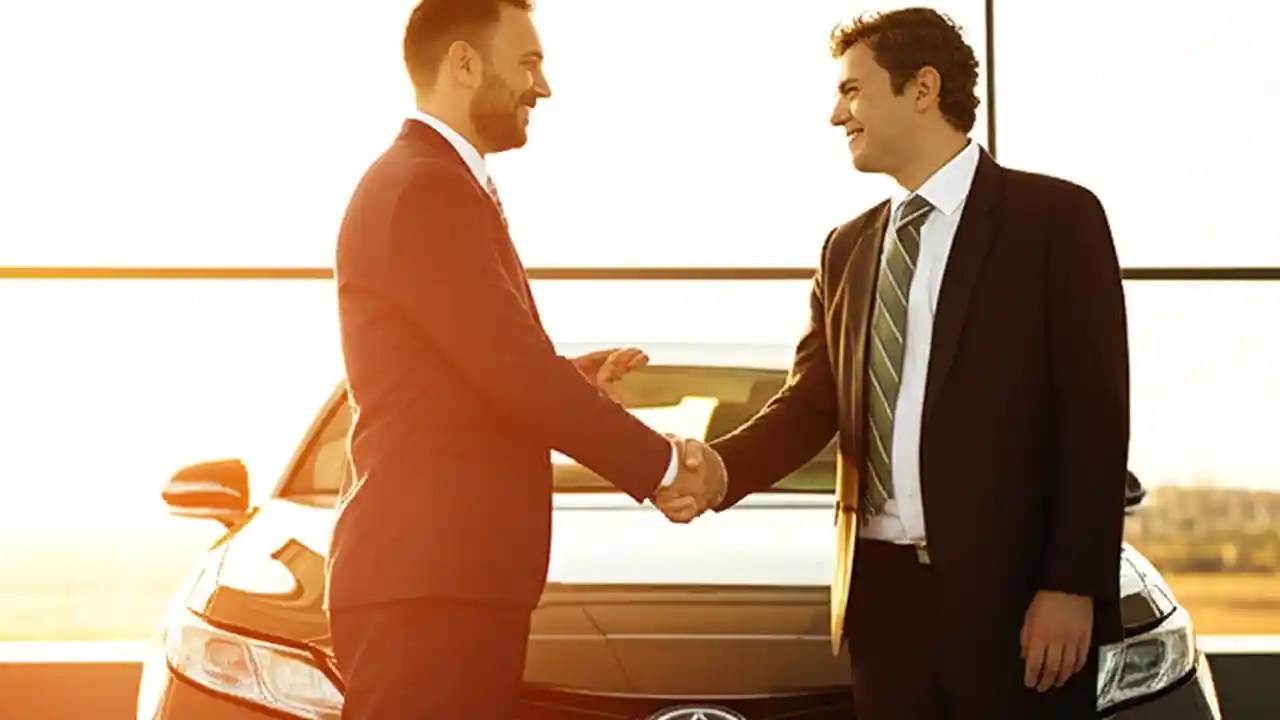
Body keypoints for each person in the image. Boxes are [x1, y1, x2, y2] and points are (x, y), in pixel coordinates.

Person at [665, 8, 1129, 719]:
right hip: (882, 607)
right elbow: (810, 405)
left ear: (922, 88)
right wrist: (721, 470)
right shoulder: (845, 249)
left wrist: (1071, 584)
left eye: (852, 91)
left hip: (1017, 606)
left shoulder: (1055, 221)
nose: (835, 114)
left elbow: (1094, 414)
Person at [325, 1, 724, 717]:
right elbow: (510, 369)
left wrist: (570, 383)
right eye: (529, 63)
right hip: (430, 587)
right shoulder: (426, 186)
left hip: (446, 580)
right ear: (464, 64)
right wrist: (661, 465)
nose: (543, 88)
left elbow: (472, 367)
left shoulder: (434, 180)